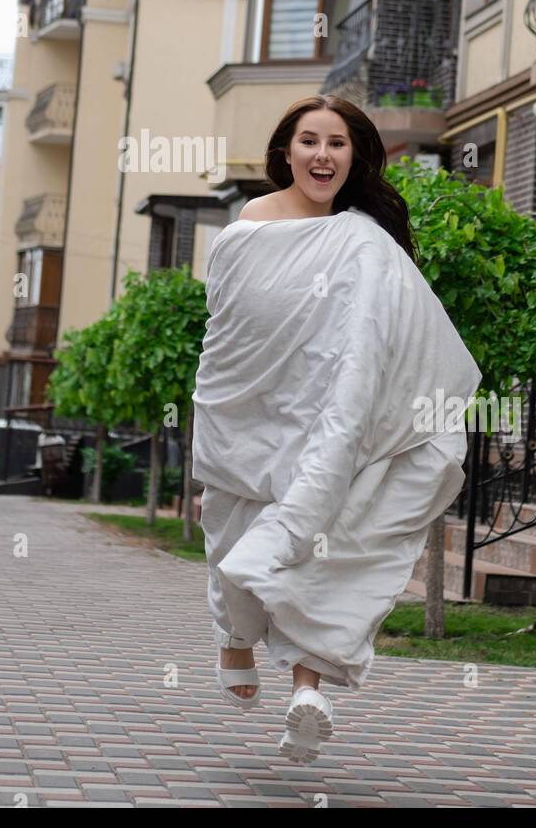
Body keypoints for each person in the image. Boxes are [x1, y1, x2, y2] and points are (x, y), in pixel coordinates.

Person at [191, 95, 482, 764]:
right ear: (286, 152)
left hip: (332, 419)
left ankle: (307, 693)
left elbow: (382, 335)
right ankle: (235, 640)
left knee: (325, 543)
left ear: (355, 157)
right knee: (233, 531)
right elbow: (230, 332)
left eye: (338, 143)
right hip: (253, 413)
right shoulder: (250, 224)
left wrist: (360, 411)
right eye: (310, 141)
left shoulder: (364, 239)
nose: (323, 154)